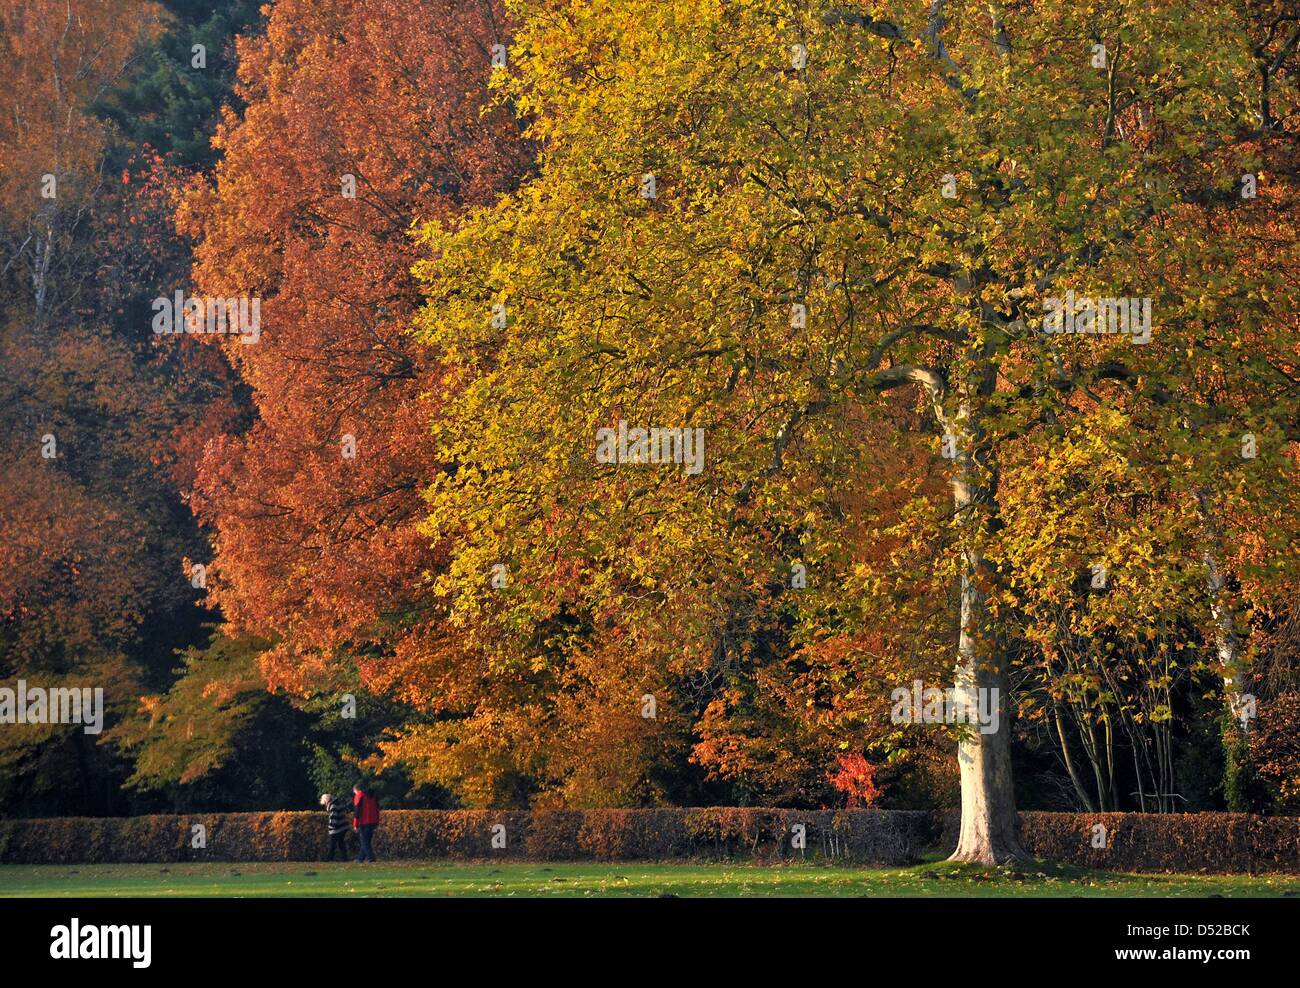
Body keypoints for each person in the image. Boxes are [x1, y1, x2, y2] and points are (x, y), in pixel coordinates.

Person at [352, 783, 380, 863]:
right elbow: (377, 809)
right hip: (373, 821)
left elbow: (357, 811)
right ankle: (360, 859)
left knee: (364, 842)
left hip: (363, 822)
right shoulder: (373, 796)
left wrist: (355, 824)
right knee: (366, 841)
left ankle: (371, 857)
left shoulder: (359, 796)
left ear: (356, 790)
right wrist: (377, 822)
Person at [321, 793, 350, 861]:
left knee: (332, 844)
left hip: (337, 828)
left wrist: (331, 827)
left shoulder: (333, 806)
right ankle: (344, 858)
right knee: (341, 843)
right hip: (342, 826)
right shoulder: (336, 803)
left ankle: (329, 858)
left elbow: (334, 818)